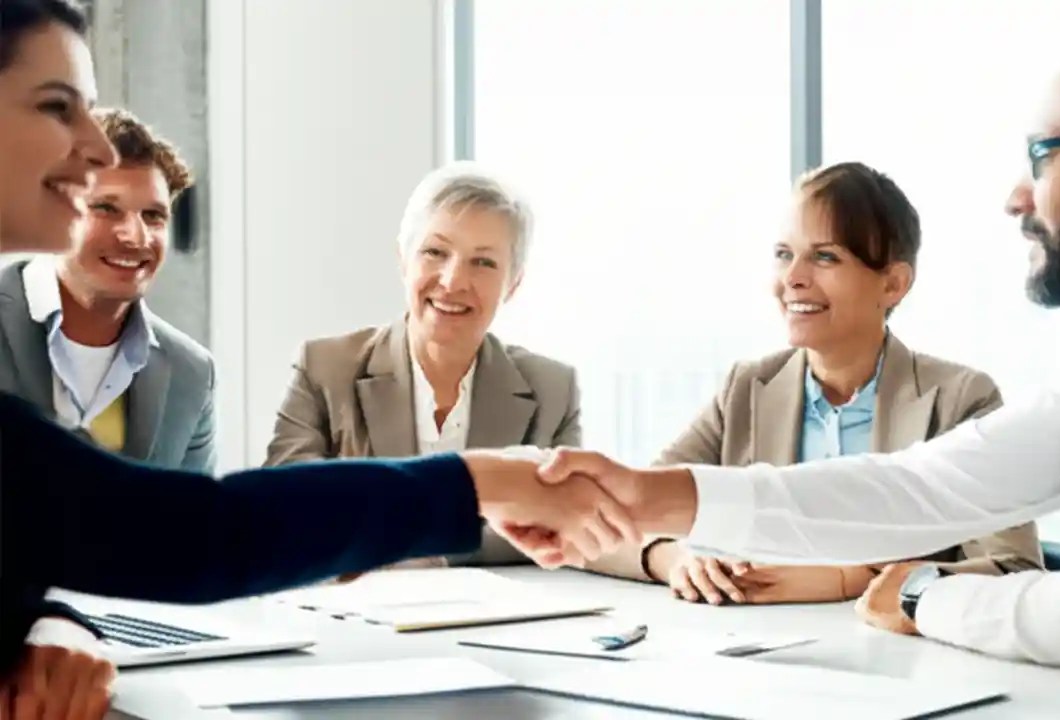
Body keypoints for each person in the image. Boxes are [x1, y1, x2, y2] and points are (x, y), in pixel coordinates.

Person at [540, 33, 1060, 691]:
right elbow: (921, 486)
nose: (1016, 196)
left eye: (1043, 157)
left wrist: (925, 594)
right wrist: (647, 494)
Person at [0, 3, 633, 713]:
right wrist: (476, 482)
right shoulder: (330, 363)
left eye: (485, 262)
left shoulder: (187, 370)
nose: (92, 144)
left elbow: (93, 531)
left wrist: (51, 624)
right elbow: (188, 533)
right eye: (58, 107)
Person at [587, 162, 1040, 605]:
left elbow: (1012, 566)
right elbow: (618, 517)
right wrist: (673, 558)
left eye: (825, 257)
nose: (793, 278)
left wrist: (848, 579)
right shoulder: (748, 387)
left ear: (894, 284)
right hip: (750, 652)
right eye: (784, 254)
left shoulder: (960, 400)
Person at [266, 162, 579, 567]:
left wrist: (664, 557)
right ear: (403, 259)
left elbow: (575, 524)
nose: (452, 281)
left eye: (483, 263)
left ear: (513, 284)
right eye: (435, 252)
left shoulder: (552, 388)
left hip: (494, 622)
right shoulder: (324, 368)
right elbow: (285, 512)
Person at [1, 107, 214, 472]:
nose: (136, 236)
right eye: (106, 208)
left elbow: (194, 523)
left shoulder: (191, 373)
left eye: (154, 215)